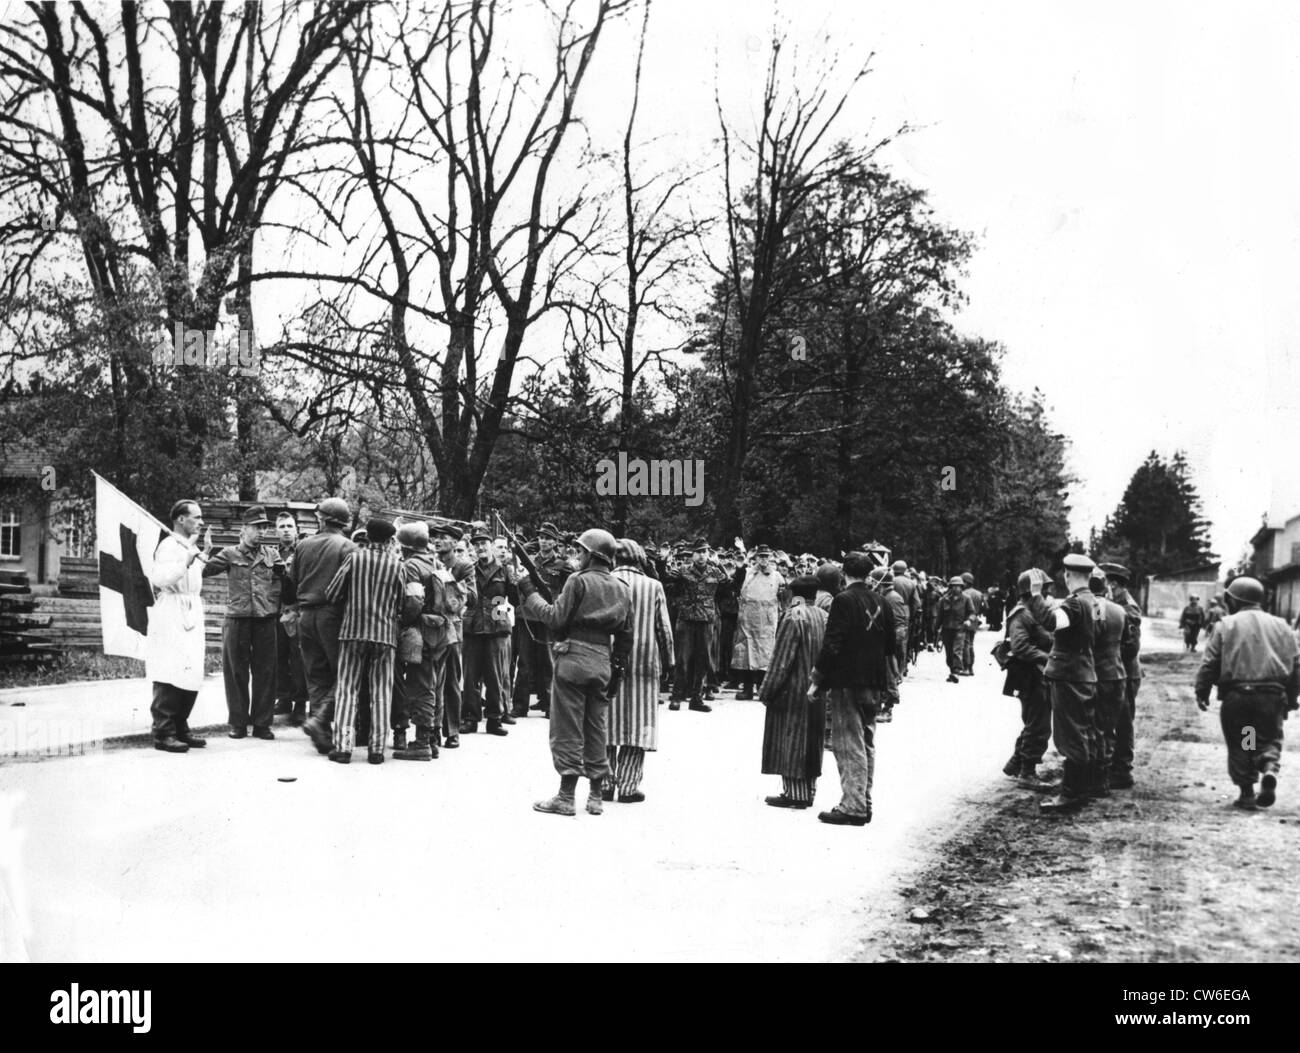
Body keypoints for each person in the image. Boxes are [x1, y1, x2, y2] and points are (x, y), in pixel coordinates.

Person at [517, 528, 633, 817]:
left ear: (592, 555)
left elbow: (555, 619)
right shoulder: (622, 588)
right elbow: (626, 636)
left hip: (573, 660)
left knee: (567, 729)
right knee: (596, 728)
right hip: (603, 662)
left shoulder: (577, 581)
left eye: (581, 551)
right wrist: (616, 670)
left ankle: (566, 797)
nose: (576, 556)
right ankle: (595, 797)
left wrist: (529, 591)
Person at [808, 550, 899, 826]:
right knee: (867, 742)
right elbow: (891, 647)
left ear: (845, 574)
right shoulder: (882, 601)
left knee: (848, 744)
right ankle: (865, 801)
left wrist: (817, 680)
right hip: (875, 681)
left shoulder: (843, 601)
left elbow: (832, 644)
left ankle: (853, 806)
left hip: (848, 682)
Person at [1194, 576, 1300, 810]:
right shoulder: (1282, 626)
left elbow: (1210, 662)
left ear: (1234, 600)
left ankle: (1247, 793)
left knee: (1245, 740)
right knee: (1269, 738)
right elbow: (1296, 663)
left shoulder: (1226, 624)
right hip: (1271, 697)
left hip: (1239, 697)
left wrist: (1202, 690)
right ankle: (1269, 766)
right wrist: (1293, 697)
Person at [325, 517, 407, 764]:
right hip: (384, 636)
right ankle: (377, 749)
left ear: (369, 536)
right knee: (381, 692)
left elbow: (333, 592)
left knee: (347, 690)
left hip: (352, 632)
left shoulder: (355, 558)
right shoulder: (397, 565)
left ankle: (343, 747)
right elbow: (402, 602)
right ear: (389, 540)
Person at [203, 505, 285, 740]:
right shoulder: (230, 554)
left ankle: (262, 724)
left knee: (266, 673)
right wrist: (204, 550)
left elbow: (282, 580)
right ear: (244, 528)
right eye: (257, 527)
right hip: (237, 620)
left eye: (265, 527)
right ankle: (238, 723)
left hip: (265, 620)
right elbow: (204, 570)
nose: (262, 532)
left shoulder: (272, 554)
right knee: (236, 672)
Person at [604, 539, 673, 803]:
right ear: (640, 560)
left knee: (607, 722)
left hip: (608, 661)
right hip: (644, 663)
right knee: (638, 723)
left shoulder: (606, 581)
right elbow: (663, 629)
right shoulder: (653, 586)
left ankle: (606, 784)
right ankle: (629, 786)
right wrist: (670, 662)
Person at [147, 500, 214, 752]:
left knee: (192, 669)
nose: (201, 522)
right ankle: (163, 732)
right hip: (171, 611)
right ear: (180, 520)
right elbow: (160, 578)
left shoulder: (188, 546)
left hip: (191, 609)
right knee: (170, 667)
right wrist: (186, 558)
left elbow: (193, 577)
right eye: (196, 517)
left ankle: (180, 726)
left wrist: (203, 553)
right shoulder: (168, 545)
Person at [1039, 553, 1101, 814]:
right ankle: (1082, 788)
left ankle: (1071, 795)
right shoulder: (1093, 601)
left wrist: (1034, 597)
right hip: (1084, 672)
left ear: (1068, 576)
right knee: (1083, 732)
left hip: (1069, 676)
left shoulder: (1075, 604)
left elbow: (1052, 622)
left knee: (1069, 735)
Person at [390, 521, 458, 761]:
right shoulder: (436, 562)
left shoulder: (410, 566)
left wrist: (405, 622)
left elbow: (414, 601)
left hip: (423, 633)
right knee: (434, 685)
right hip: (442, 631)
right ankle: (432, 739)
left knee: (420, 686)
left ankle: (421, 743)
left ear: (405, 546)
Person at [295, 498, 356, 754]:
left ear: (323, 519)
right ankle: (320, 721)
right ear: (342, 522)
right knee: (344, 673)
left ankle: (322, 733)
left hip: (305, 614)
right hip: (333, 615)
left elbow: (294, 579)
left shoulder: (303, 545)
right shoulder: (348, 546)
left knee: (317, 676)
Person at [761, 576, 829, 809]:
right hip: (817, 688)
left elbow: (781, 661)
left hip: (793, 689)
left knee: (792, 739)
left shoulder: (794, 616)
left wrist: (767, 691)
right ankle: (809, 791)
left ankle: (795, 794)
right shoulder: (823, 615)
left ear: (794, 594)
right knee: (813, 740)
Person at [510, 522, 572, 718]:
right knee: (524, 662)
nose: (543, 541)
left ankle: (549, 704)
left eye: (548, 538)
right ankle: (520, 705)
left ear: (555, 542)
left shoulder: (563, 565)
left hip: (548, 616)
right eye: (541, 537)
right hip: (527, 615)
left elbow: (566, 592)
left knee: (547, 661)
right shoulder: (529, 561)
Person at [1000, 569, 1055, 788]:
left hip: (1038, 674)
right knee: (1038, 724)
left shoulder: (1036, 612)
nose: (1048, 591)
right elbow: (1020, 647)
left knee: (1035, 721)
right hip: (1030, 675)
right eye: (1044, 588)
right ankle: (1027, 771)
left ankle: (1016, 762)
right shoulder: (1022, 614)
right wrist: (1047, 657)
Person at [661, 540, 725, 712]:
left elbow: (730, 584)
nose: (702, 555)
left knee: (703, 660)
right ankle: (677, 696)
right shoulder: (683, 571)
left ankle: (696, 698)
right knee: (682, 659)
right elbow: (664, 578)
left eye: (704, 552)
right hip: (687, 620)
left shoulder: (715, 572)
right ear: (692, 555)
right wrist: (663, 559)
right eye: (698, 552)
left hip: (706, 620)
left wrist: (722, 565)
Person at [461, 527, 512, 736]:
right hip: (472, 627)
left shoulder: (504, 570)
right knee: (470, 676)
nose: (480, 547)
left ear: (491, 545)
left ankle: (494, 719)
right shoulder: (470, 568)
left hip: (496, 626)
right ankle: (471, 719)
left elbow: (514, 600)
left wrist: (518, 581)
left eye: (484, 543)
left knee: (495, 676)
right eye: (476, 544)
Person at [432, 523, 475, 749]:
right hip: (432, 627)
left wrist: (453, 586)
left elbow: (473, 597)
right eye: (435, 537)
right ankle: (432, 730)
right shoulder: (430, 562)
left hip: (452, 629)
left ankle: (452, 731)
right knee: (431, 680)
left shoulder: (463, 566)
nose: (438, 541)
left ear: (454, 542)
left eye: (443, 537)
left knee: (450, 680)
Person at [1088, 567, 1130, 797]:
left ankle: (1098, 779)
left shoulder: (1098, 609)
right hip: (1118, 674)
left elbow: (1096, 633)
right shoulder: (1119, 610)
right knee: (1109, 727)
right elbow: (1128, 640)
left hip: (1100, 675)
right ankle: (1104, 775)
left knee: (1097, 727)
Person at [272, 510, 310, 726]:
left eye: (289, 526)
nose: (286, 530)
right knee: (278, 656)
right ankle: (283, 698)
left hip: (297, 611)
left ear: (296, 530)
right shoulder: (271, 554)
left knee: (298, 660)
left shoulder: (304, 551)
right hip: (276, 612)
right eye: (282, 527)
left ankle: (300, 704)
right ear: (276, 531)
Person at [732, 544, 783, 700]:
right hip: (747, 620)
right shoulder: (746, 573)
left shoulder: (776, 576)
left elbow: (786, 595)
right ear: (755, 558)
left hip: (767, 622)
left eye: (766, 556)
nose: (763, 559)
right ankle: (747, 689)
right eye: (760, 556)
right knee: (746, 654)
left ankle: (762, 688)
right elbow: (735, 586)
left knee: (765, 654)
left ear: (770, 558)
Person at [937, 576, 974, 684]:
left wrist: (969, 620)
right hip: (946, 629)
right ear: (950, 587)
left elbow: (972, 612)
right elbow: (940, 615)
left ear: (961, 587)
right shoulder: (943, 600)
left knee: (957, 651)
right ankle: (952, 671)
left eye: (958, 586)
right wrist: (936, 628)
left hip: (960, 628)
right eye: (953, 586)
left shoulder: (966, 599)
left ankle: (956, 672)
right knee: (948, 653)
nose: (956, 589)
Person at [960, 572, 983, 675]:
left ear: (966, 582)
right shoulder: (979, 593)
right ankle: (971, 668)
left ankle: (966, 667)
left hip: (965, 620)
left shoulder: (964, 594)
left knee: (965, 644)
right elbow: (985, 608)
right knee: (971, 645)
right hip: (975, 621)